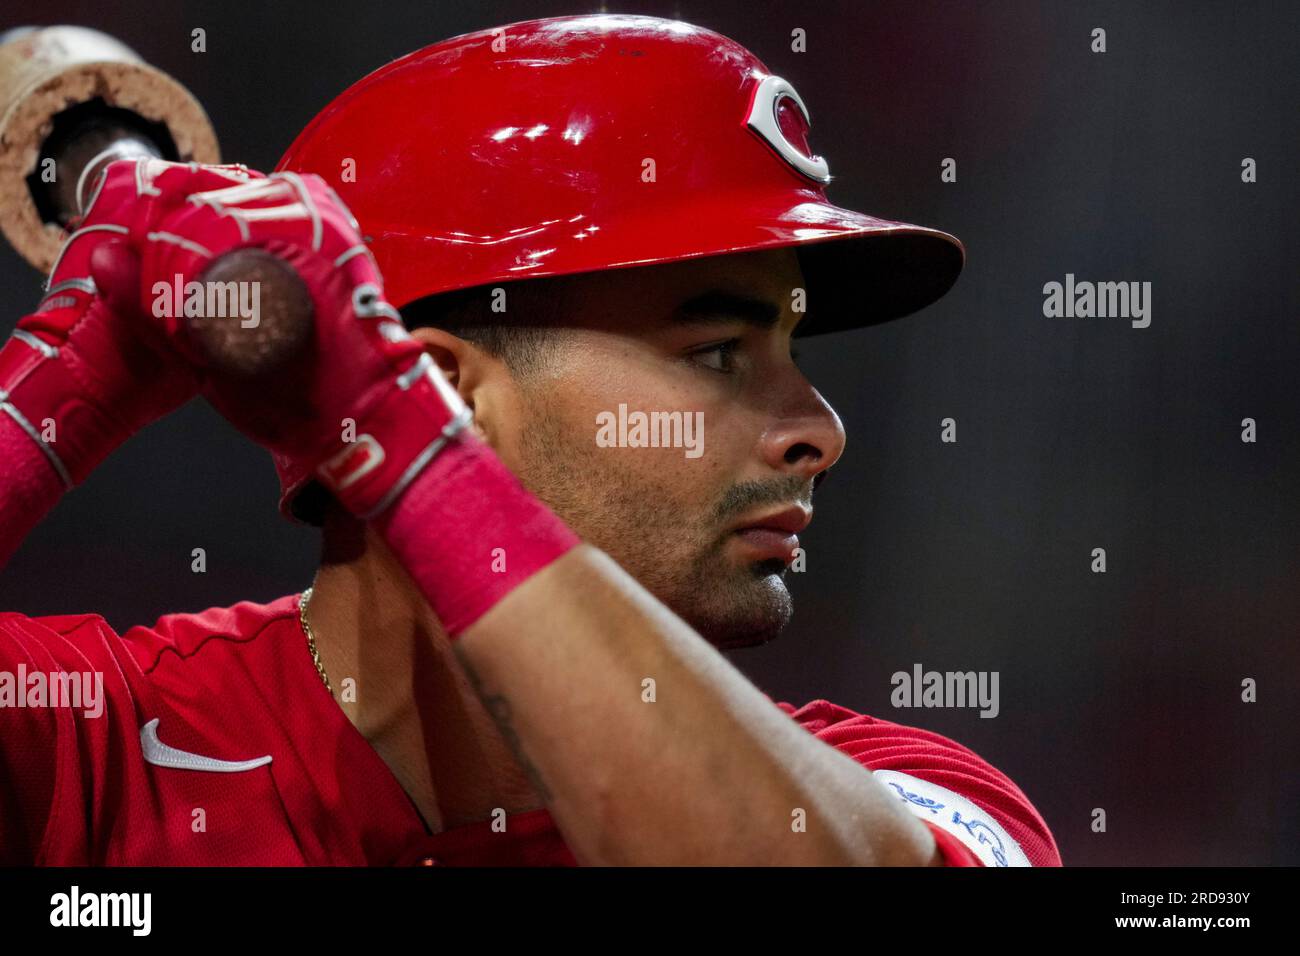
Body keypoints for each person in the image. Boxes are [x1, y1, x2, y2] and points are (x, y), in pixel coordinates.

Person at [0, 14, 1060, 867]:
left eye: (791, 346)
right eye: (718, 352)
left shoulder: (896, 786)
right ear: (455, 393)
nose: (819, 431)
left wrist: (395, 434)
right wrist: (36, 412)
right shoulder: (94, 740)